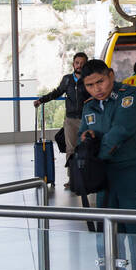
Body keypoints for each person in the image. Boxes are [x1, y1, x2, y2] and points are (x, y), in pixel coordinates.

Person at [79, 58, 136, 270]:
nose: (97, 89)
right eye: (90, 85)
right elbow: (84, 135)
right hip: (107, 181)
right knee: (107, 243)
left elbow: (119, 132)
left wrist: (95, 152)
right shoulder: (90, 108)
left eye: (100, 81)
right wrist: (85, 144)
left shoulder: (131, 96)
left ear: (111, 75)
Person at [35, 52, 88, 189]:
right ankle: (72, 180)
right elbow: (56, 92)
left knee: (87, 148)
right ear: (73, 64)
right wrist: (41, 100)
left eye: (82, 63)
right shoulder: (67, 80)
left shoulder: (89, 79)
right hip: (70, 120)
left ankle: (88, 178)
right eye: (77, 63)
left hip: (86, 119)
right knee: (71, 150)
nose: (79, 66)